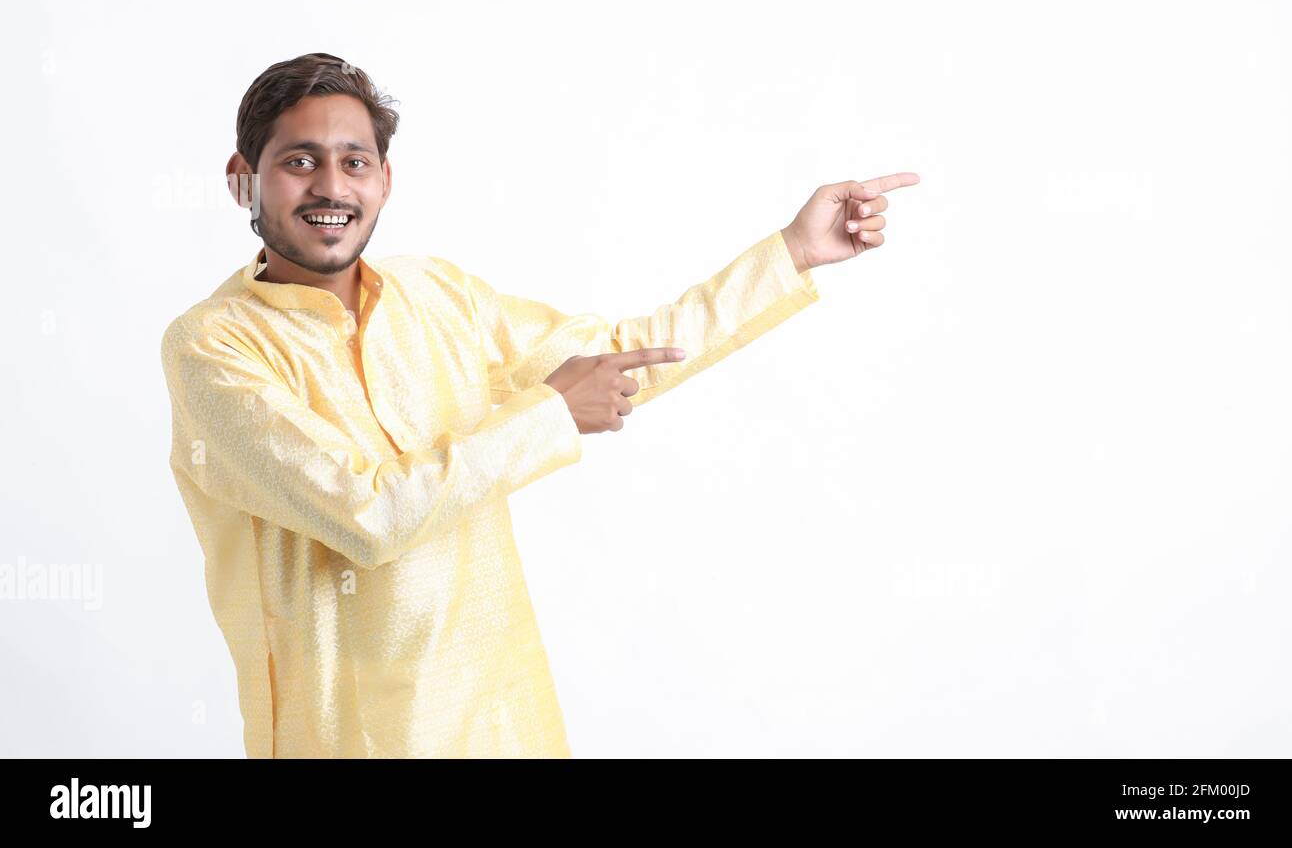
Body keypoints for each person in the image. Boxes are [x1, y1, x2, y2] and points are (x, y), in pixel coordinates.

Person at [159, 51, 920, 758]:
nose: (331, 187)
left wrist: (790, 253)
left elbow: (619, 357)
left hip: (505, 722)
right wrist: (549, 414)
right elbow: (367, 514)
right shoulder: (212, 349)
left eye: (353, 162)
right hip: (348, 739)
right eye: (299, 162)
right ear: (241, 178)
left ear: (384, 180)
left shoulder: (437, 295)